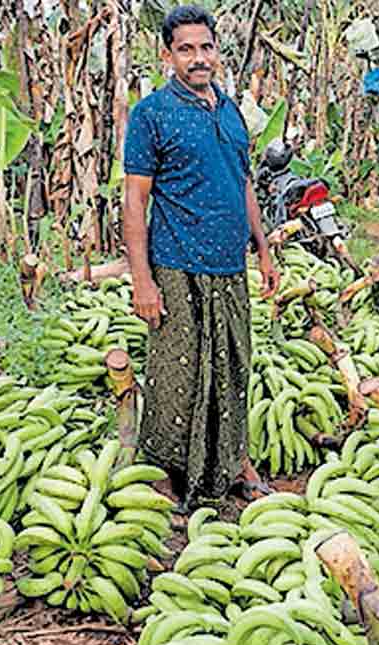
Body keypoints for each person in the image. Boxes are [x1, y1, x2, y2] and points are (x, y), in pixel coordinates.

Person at [121, 4, 280, 512]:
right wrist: (142, 280)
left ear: (217, 51)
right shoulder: (152, 114)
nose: (198, 58)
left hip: (229, 266)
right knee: (176, 374)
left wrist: (263, 249)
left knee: (233, 365)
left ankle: (233, 462)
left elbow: (244, 183)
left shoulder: (231, 112)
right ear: (167, 55)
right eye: (185, 49)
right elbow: (134, 200)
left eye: (206, 47)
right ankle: (165, 473)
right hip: (177, 263)